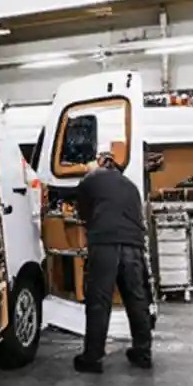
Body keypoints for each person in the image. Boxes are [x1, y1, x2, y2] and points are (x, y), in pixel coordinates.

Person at [73, 150, 154, 373]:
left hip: (105, 243)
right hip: (133, 245)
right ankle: (143, 352)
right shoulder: (130, 186)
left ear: (99, 163)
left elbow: (84, 214)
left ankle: (92, 357)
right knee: (136, 299)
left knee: (99, 301)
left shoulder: (90, 180)